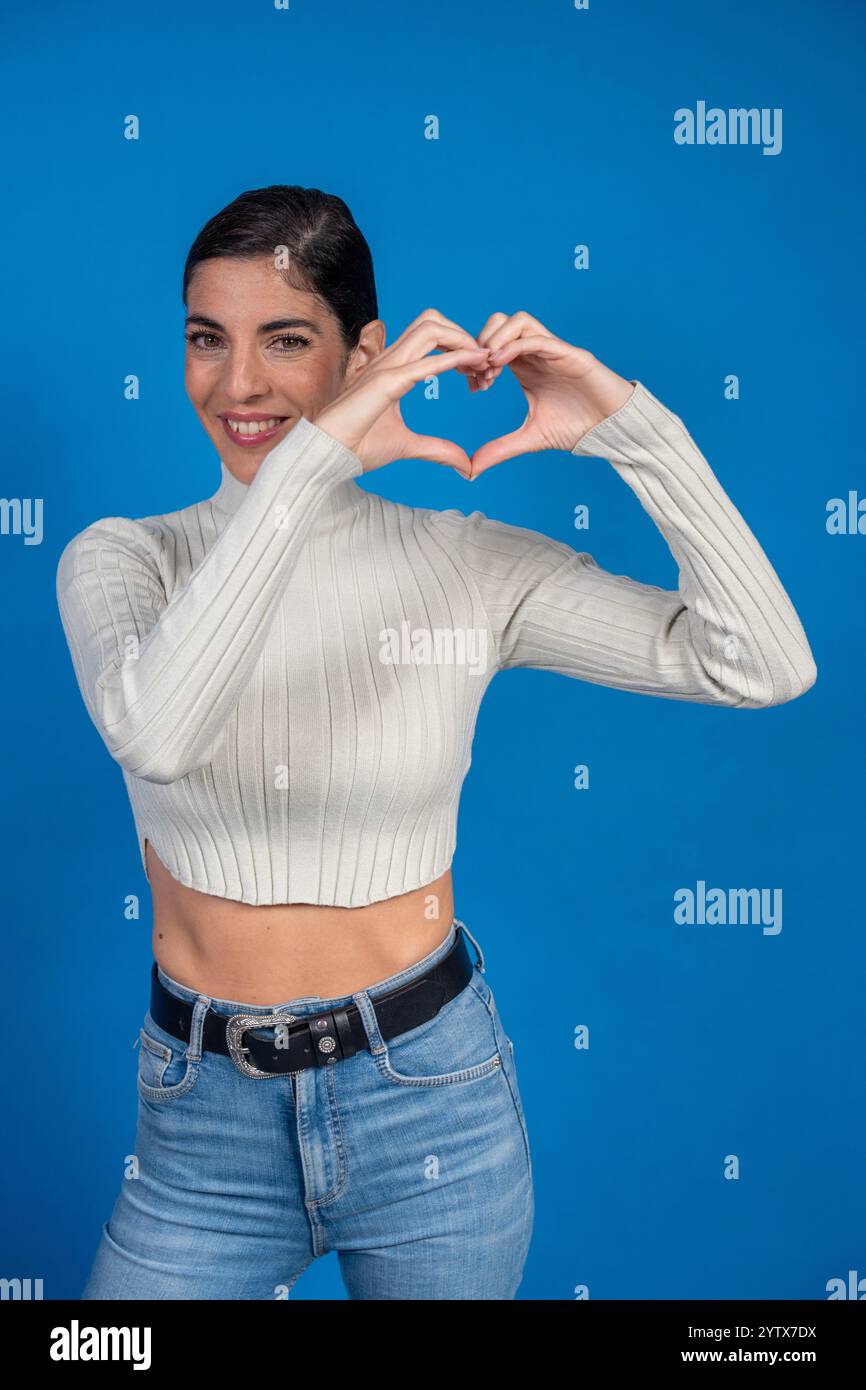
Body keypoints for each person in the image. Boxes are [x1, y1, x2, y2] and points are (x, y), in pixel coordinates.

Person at [56, 184, 817, 1301]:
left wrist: (633, 432)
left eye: (286, 341)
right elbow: (158, 731)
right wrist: (320, 454)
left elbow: (761, 663)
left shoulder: (466, 565)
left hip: (430, 1102)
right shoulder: (122, 560)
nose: (237, 384)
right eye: (205, 340)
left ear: (365, 353)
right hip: (198, 1124)